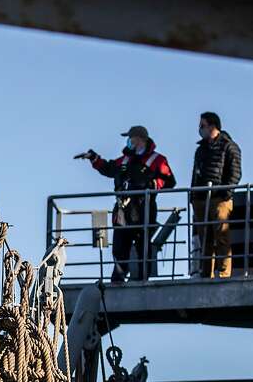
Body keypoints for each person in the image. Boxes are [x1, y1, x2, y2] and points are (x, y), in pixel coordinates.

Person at [82, 125, 176, 282]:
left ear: (139, 139)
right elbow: (108, 168)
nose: (128, 142)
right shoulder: (124, 160)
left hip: (143, 208)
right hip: (122, 210)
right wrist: (94, 158)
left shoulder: (157, 160)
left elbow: (170, 181)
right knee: (119, 247)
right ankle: (118, 279)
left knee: (142, 247)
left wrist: (153, 184)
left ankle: (142, 279)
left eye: (130, 138)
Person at [189, 112, 242, 278]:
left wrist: (225, 193)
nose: (200, 129)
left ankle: (224, 272)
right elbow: (195, 174)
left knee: (222, 236)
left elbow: (235, 172)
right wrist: (194, 196)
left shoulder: (228, 146)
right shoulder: (201, 150)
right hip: (201, 198)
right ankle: (207, 273)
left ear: (212, 126)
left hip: (219, 198)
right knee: (205, 238)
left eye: (202, 125)